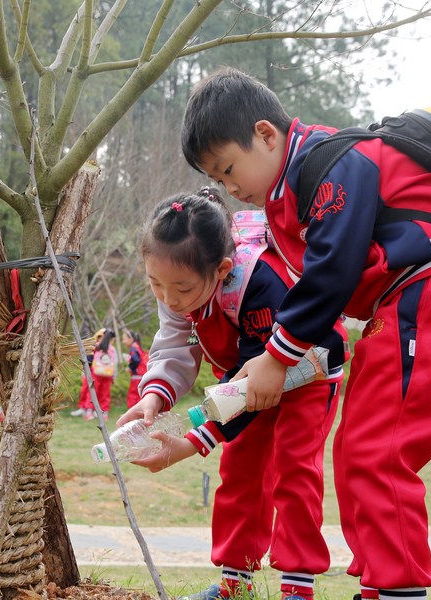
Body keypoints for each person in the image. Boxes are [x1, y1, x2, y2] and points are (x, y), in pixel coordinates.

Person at [181, 67, 431, 600]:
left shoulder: (331, 163)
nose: (230, 188)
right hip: (397, 304)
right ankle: (382, 585)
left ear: (266, 135)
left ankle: (397, 589)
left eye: (229, 169)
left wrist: (277, 355)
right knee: (354, 450)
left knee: (379, 451)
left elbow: (332, 269)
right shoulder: (288, 193)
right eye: (218, 179)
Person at [119, 189, 347, 600]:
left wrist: (193, 442)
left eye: (181, 289)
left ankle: (298, 587)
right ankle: (234, 586)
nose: (170, 299)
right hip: (243, 379)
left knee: (294, 472)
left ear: (222, 269)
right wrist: (154, 396)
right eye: (156, 284)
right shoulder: (181, 286)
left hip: (305, 370)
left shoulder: (258, 285)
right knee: (239, 473)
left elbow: (256, 390)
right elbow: (174, 345)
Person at [71, 327, 105, 418]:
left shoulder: (107, 349)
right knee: (85, 390)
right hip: (90, 371)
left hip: (100, 374)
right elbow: (88, 359)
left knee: (95, 392)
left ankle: (92, 410)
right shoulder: (94, 347)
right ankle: (83, 408)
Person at [88, 328, 118, 420]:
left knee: (93, 392)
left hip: (96, 373)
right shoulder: (112, 349)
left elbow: (89, 359)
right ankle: (104, 414)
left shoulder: (97, 346)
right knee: (105, 394)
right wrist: (114, 376)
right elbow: (114, 363)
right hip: (108, 375)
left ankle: (90, 412)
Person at [122, 329, 147, 409]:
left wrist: (130, 367)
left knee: (133, 395)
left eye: (124, 339)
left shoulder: (133, 348)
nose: (123, 341)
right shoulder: (137, 347)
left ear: (131, 339)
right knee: (140, 395)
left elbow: (136, 360)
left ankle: (132, 413)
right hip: (142, 375)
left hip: (137, 376)